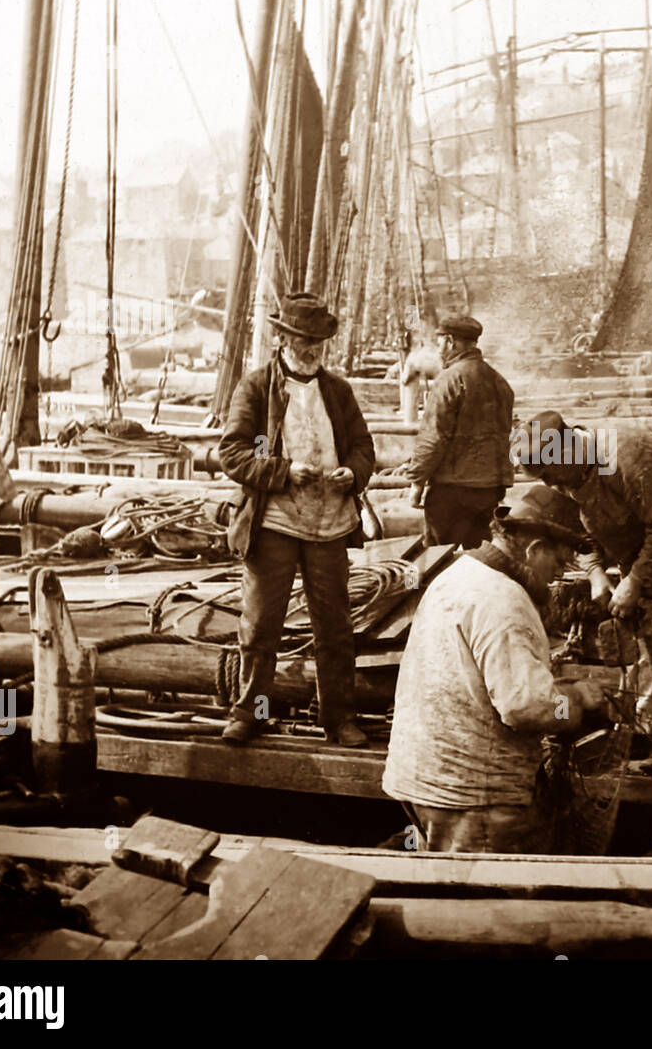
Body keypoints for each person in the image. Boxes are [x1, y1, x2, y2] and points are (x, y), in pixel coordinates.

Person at [516, 410, 652, 826]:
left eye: (554, 475)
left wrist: (634, 580)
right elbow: (585, 537)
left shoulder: (629, 453)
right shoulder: (565, 474)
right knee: (644, 629)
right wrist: (598, 576)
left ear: (572, 446)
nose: (554, 486)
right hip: (636, 537)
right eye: (546, 480)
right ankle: (647, 731)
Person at [382, 484, 607, 853]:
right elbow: (525, 707)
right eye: (559, 564)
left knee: (442, 880)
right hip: (471, 792)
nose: (557, 577)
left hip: (423, 776)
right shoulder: (505, 600)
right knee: (488, 899)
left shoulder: (456, 575)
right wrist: (577, 697)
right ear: (535, 550)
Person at [217, 292, 376, 747]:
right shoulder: (255, 387)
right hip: (274, 523)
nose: (313, 349)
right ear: (281, 337)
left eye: (319, 341)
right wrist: (283, 472)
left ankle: (339, 719)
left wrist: (355, 471)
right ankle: (250, 712)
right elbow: (232, 453)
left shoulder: (338, 390)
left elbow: (363, 446)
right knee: (262, 623)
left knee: (335, 626)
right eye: (304, 340)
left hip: (330, 523)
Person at [403, 311, 515, 550]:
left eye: (440, 340)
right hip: (490, 489)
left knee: (439, 556)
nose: (439, 347)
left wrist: (416, 481)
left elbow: (433, 438)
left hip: (452, 491)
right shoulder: (500, 382)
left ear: (450, 341)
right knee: (480, 557)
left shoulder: (449, 380)